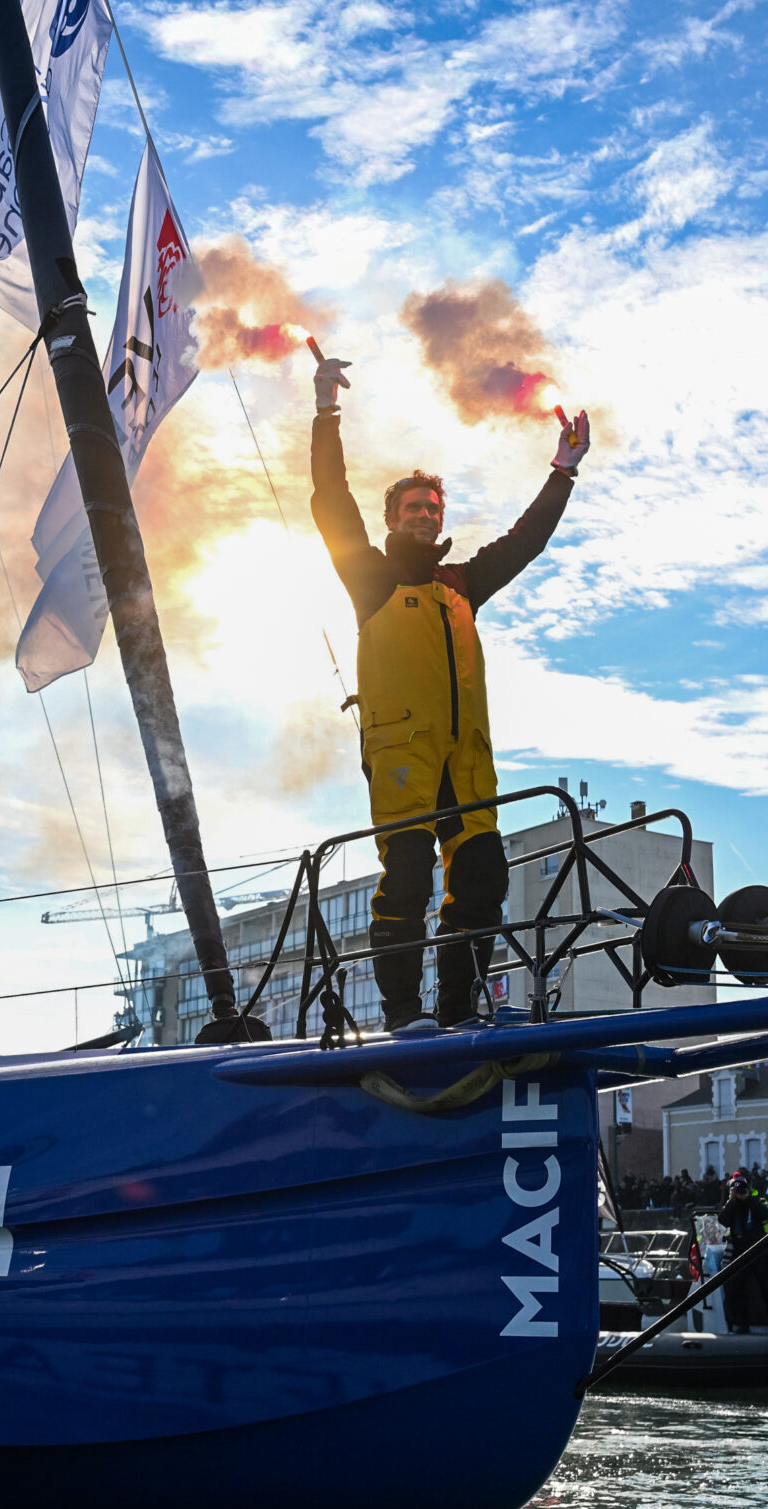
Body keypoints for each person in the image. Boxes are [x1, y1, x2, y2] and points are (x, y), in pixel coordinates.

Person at [309, 347, 589, 1030]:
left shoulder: (462, 584)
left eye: (432, 507)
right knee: (405, 881)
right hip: (404, 758)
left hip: (466, 764)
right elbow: (330, 502)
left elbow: (527, 541)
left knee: (483, 882)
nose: (424, 515)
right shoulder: (370, 577)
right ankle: (405, 1014)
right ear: (392, 518)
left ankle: (460, 1010)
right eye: (412, 507)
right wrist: (325, 410)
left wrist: (564, 469)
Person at [716, 1175, 768, 1333]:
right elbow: (723, 1220)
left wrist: (748, 1198)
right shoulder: (731, 1205)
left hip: (760, 1249)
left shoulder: (758, 1200)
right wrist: (733, 1200)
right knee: (737, 1290)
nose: (740, 1193)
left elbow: (764, 1213)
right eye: (737, 1190)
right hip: (739, 1252)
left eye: (742, 1189)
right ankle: (741, 1324)